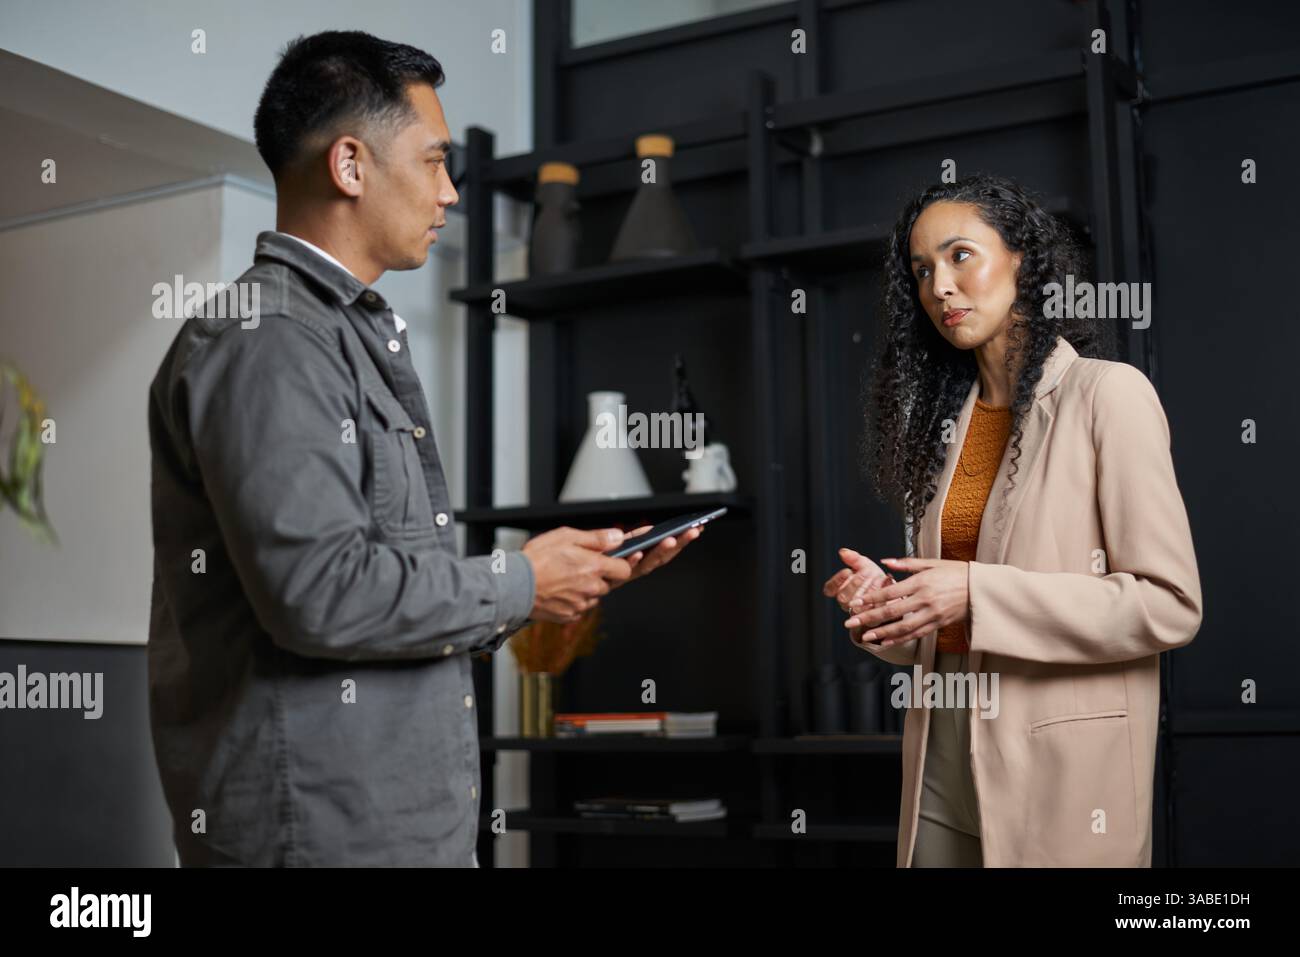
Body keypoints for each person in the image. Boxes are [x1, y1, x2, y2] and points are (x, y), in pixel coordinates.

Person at [147, 31, 698, 867]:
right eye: (435, 162)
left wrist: (550, 583)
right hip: (324, 839)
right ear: (350, 166)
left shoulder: (341, 331)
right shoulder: (272, 341)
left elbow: (374, 587)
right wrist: (518, 580)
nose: (448, 193)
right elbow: (319, 593)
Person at [822, 174, 1202, 867]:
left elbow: (1169, 606)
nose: (940, 285)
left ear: (1023, 261)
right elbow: (960, 627)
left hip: (1059, 773)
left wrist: (974, 589)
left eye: (960, 255)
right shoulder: (947, 426)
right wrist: (892, 608)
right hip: (941, 757)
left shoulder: (1107, 396)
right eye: (922, 270)